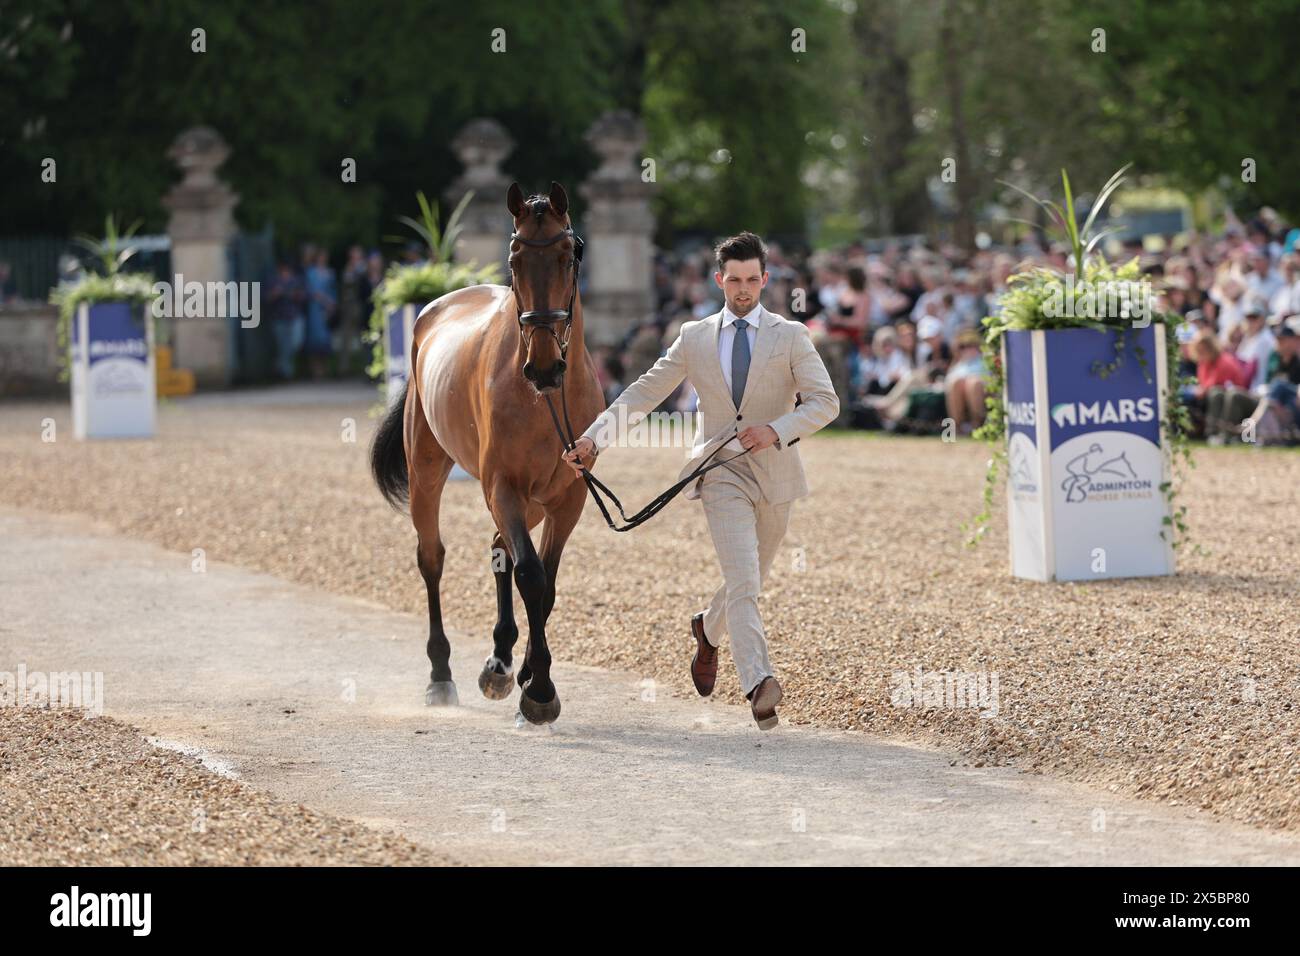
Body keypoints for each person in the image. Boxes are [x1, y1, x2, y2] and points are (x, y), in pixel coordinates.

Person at [561, 231, 839, 731]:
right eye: (734, 280)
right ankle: (759, 682)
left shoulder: (791, 335)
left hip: (776, 473)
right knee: (746, 580)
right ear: (719, 280)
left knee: (747, 581)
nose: (744, 289)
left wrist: (776, 430)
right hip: (719, 471)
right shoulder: (694, 336)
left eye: (753, 279)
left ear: (765, 280)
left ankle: (707, 632)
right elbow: (643, 394)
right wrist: (595, 439)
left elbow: (825, 403)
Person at [266, 260, 306, 380]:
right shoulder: (273, 281)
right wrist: (275, 294)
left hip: (295, 316)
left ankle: (280, 366)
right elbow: (266, 298)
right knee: (282, 346)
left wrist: (296, 295)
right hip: (279, 318)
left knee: (295, 343)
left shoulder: (296, 281)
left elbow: (304, 296)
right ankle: (286, 374)